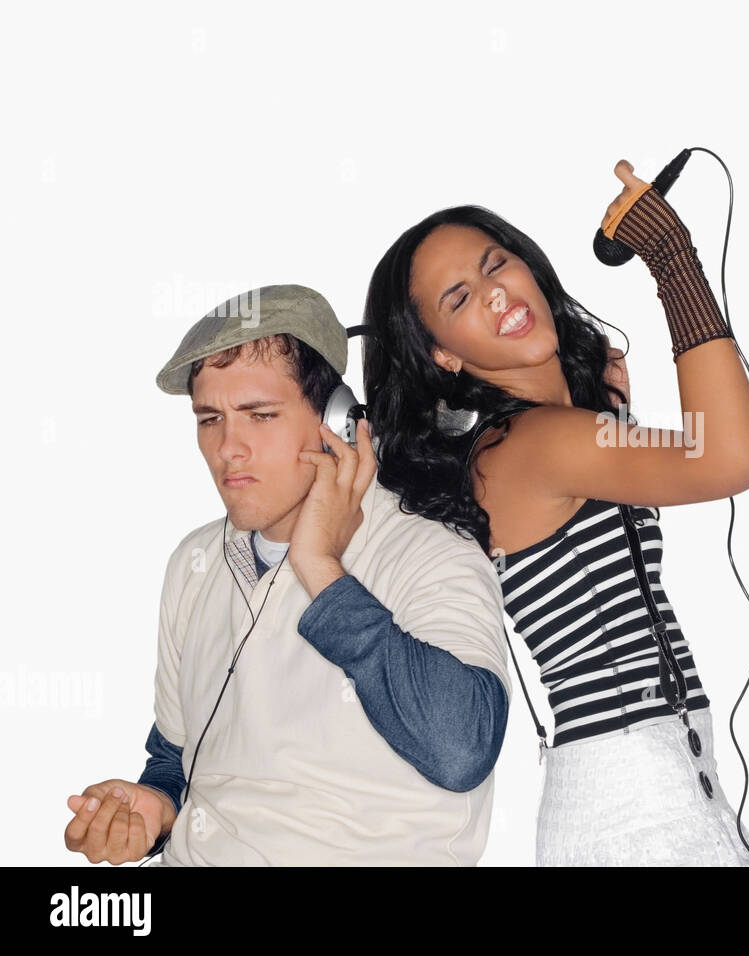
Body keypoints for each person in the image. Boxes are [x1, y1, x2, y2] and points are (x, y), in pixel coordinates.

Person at [361, 160, 749, 865]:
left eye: (497, 265)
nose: (495, 294)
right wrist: (672, 259)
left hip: (670, 792)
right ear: (442, 356)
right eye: (460, 298)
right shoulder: (531, 442)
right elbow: (731, 457)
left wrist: (610, 415)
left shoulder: (541, 434)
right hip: (636, 807)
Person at [62, 285, 512, 866]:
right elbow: (177, 754)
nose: (228, 449)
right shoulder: (194, 563)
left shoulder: (430, 553)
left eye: (260, 416)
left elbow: (461, 749)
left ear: (340, 422)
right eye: (210, 419)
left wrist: (322, 571)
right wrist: (154, 808)